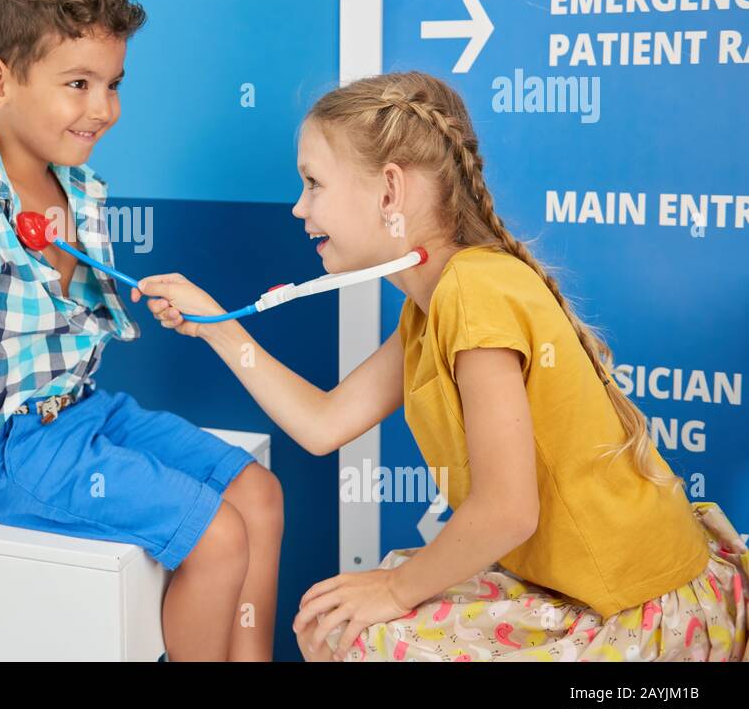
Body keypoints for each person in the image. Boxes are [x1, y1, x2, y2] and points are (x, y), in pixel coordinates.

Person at [135, 70, 748, 661]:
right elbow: (323, 425)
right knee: (334, 620)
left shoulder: (472, 293)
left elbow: (508, 509)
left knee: (361, 632)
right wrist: (218, 326)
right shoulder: (432, 305)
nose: (299, 208)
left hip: (641, 614)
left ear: (390, 191)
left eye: (314, 183)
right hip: (586, 589)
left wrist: (394, 592)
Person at [0, 0, 284, 661]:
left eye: (112, 84)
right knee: (218, 534)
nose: (103, 109)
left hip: (84, 411)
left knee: (258, 495)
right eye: (78, 83)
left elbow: (75, 318)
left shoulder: (78, 187)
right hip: (10, 450)